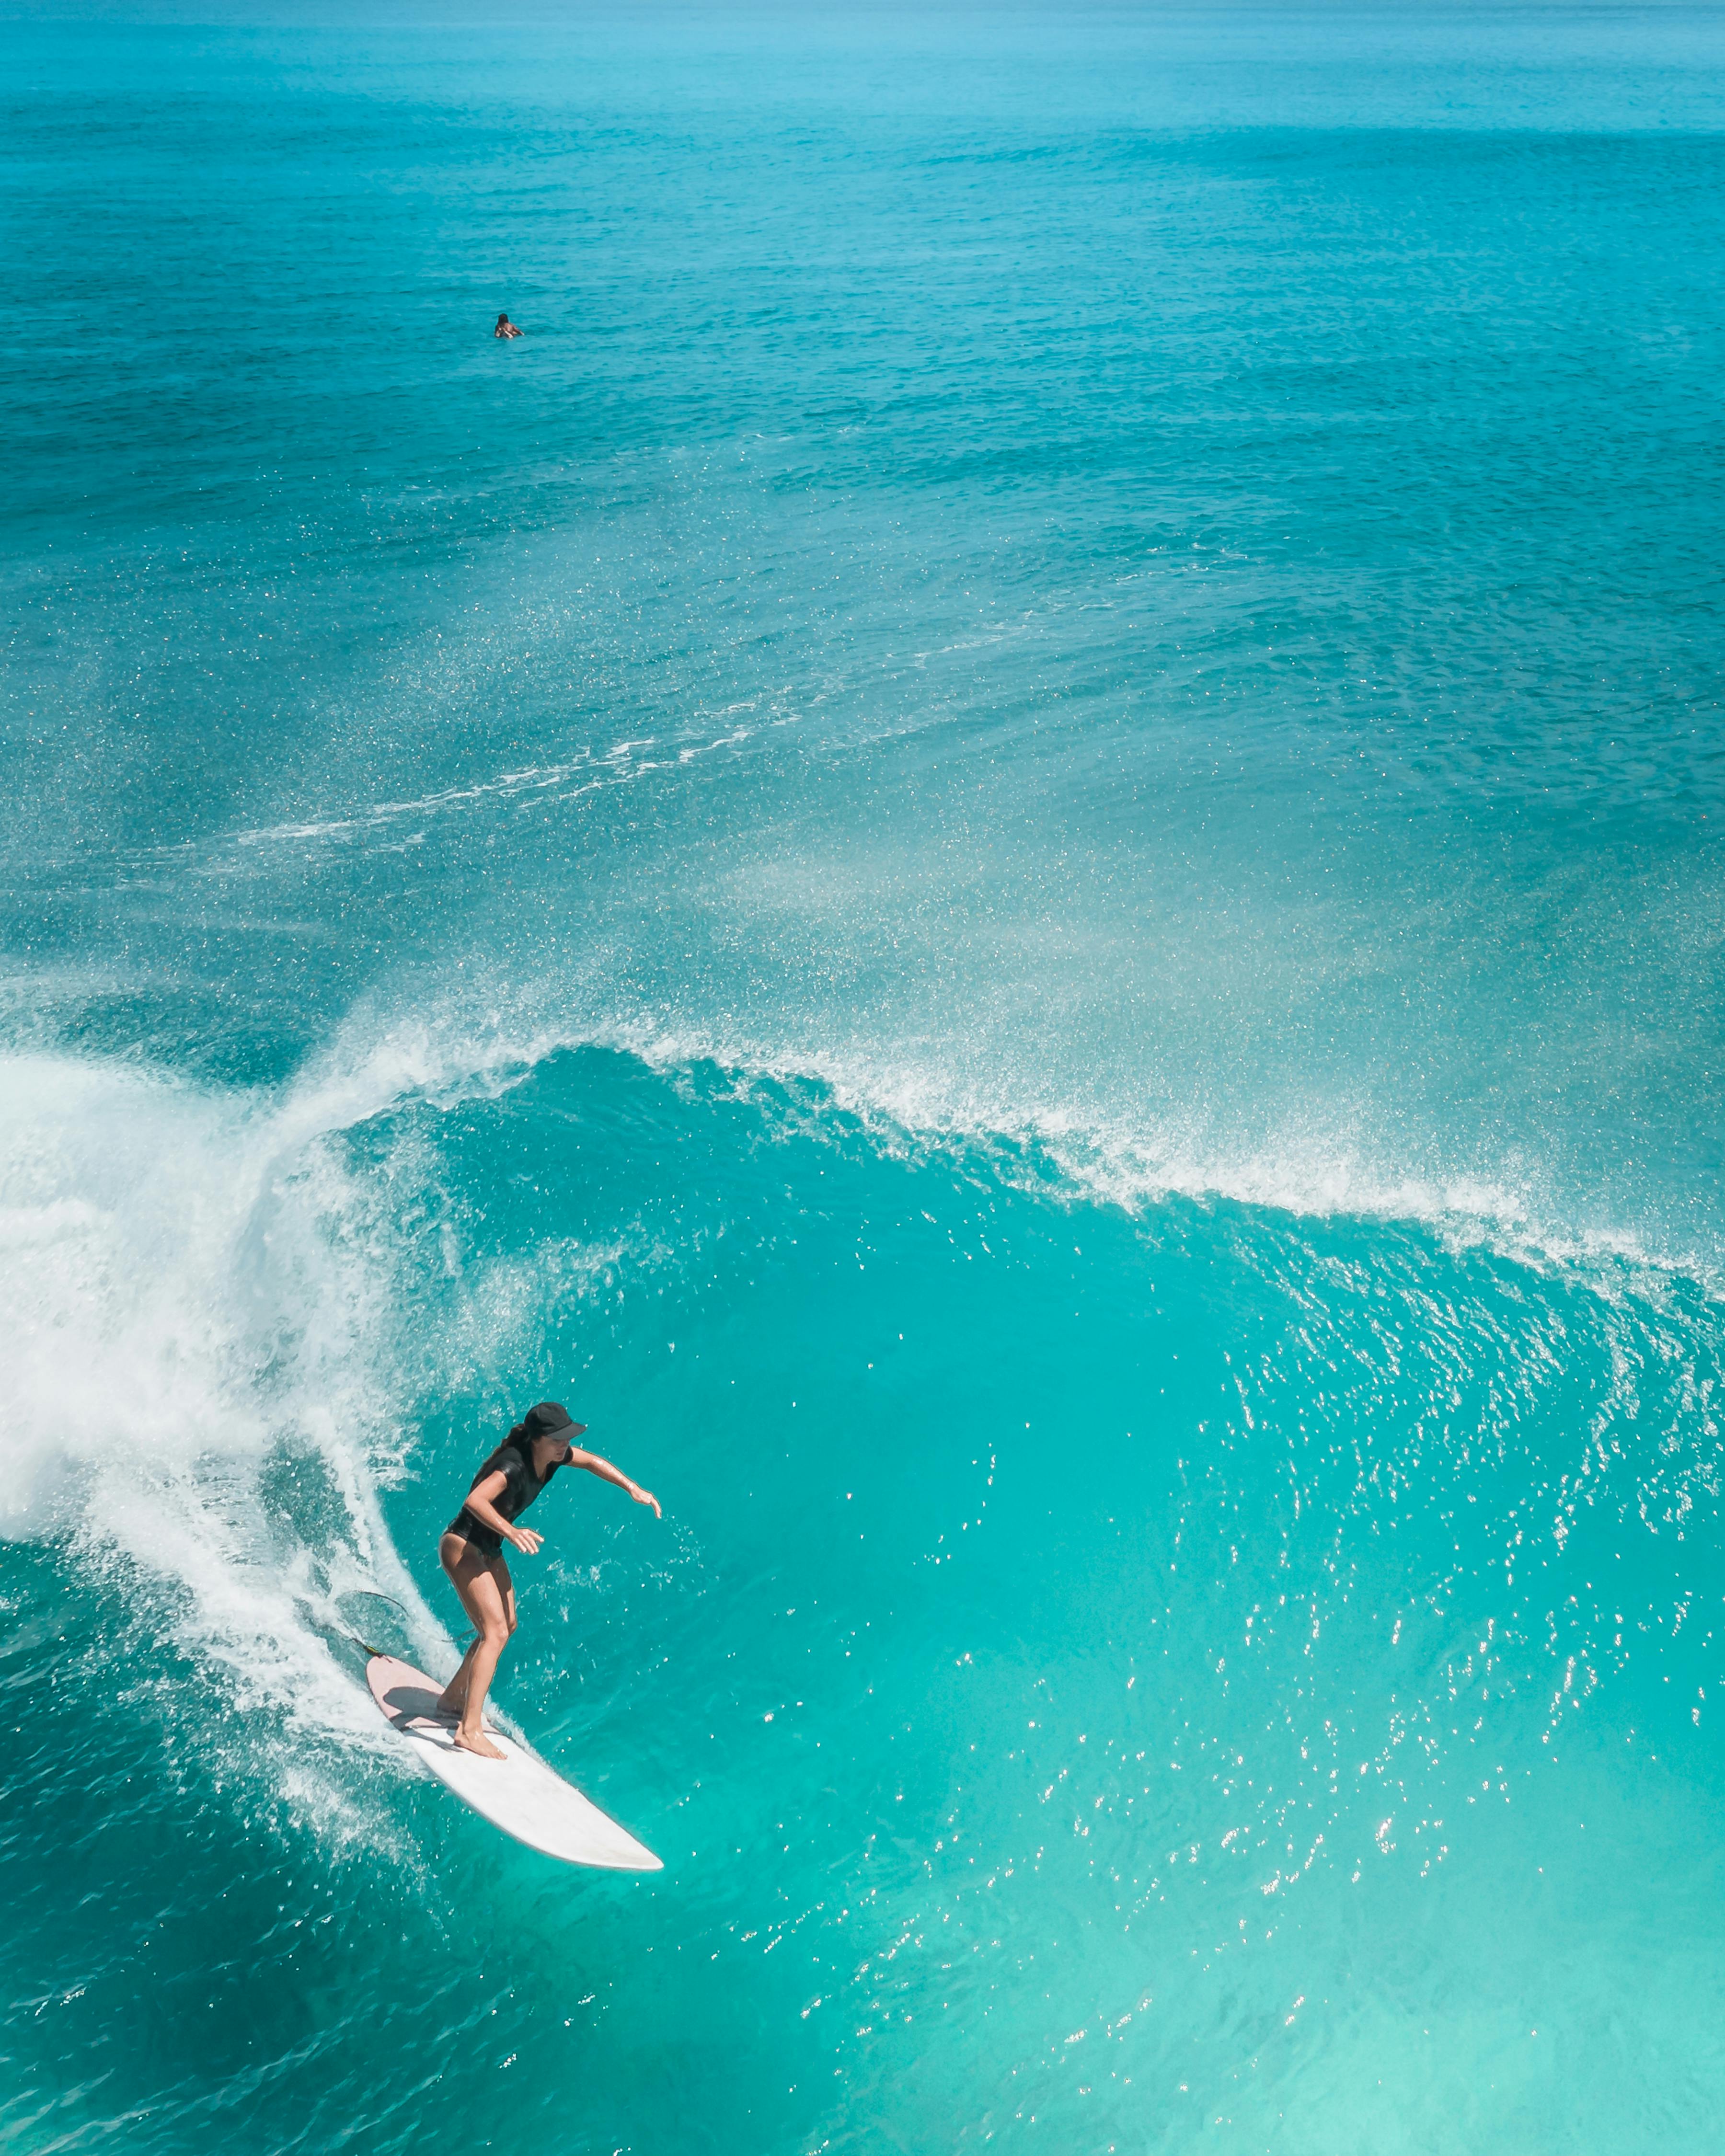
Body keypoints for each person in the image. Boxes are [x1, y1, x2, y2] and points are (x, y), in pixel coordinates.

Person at [437, 1400, 660, 1758]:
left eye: (567, 1438)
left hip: (488, 1547)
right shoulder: (512, 1465)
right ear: (537, 1439)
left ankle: (452, 1700)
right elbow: (475, 1501)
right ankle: (468, 1729)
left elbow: (591, 1462)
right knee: (495, 1632)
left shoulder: (553, 1457)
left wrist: (632, 1487)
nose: (565, 1445)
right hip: (462, 1547)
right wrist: (512, 1531)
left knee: (507, 1625)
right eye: (558, 1439)